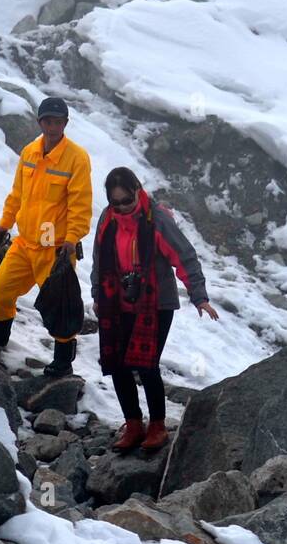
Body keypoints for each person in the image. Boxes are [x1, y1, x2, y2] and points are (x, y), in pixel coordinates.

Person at [90, 168, 218, 452]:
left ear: (138, 191)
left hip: (156, 303)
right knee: (119, 364)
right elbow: (100, 258)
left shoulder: (156, 219)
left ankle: (157, 425)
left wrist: (199, 296)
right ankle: (134, 424)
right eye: (116, 202)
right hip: (118, 302)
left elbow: (183, 256)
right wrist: (98, 294)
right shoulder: (108, 219)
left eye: (127, 200)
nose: (123, 207)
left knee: (146, 363)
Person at [0, 96, 93, 377]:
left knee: (59, 305)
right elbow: (18, 194)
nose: (52, 126)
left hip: (55, 249)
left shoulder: (76, 158)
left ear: (65, 123)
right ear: (40, 122)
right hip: (25, 242)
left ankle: (63, 361)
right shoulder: (29, 152)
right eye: (48, 121)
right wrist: (5, 223)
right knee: (0, 288)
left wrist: (72, 238)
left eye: (58, 121)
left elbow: (80, 204)